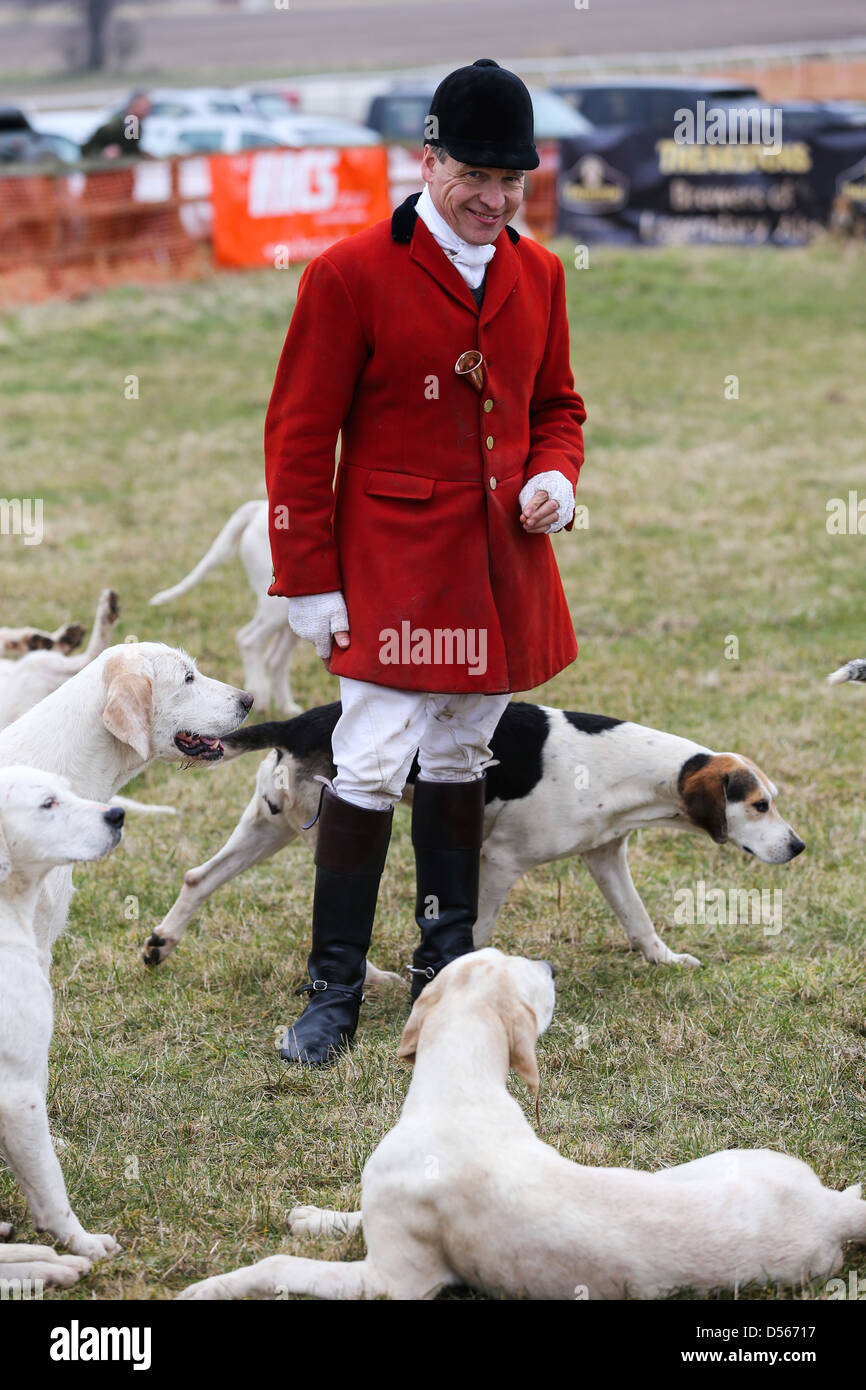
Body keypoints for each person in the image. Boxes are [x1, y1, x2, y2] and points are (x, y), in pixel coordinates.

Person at [266, 58, 587, 1066]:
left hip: (498, 571)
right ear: (427, 159)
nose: (493, 202)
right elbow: (296, 435)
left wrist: (555, 479)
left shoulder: (537, 271)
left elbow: (555, 408)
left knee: (460, 757)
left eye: (512, 184)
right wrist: (308, 577)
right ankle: (331, 992)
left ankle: (443, 966)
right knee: (367, 761)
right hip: (391, 570)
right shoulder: (348, 272)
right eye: (472, 180)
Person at [81, 91, 151, 160]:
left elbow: (131, 151)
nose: (146, 112)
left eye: (148, 109)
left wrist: (143, 155)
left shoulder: (135, 127)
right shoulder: (111, 128)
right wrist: (103, 154)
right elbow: (85, 151)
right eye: (144, 109)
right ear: (132, 107)